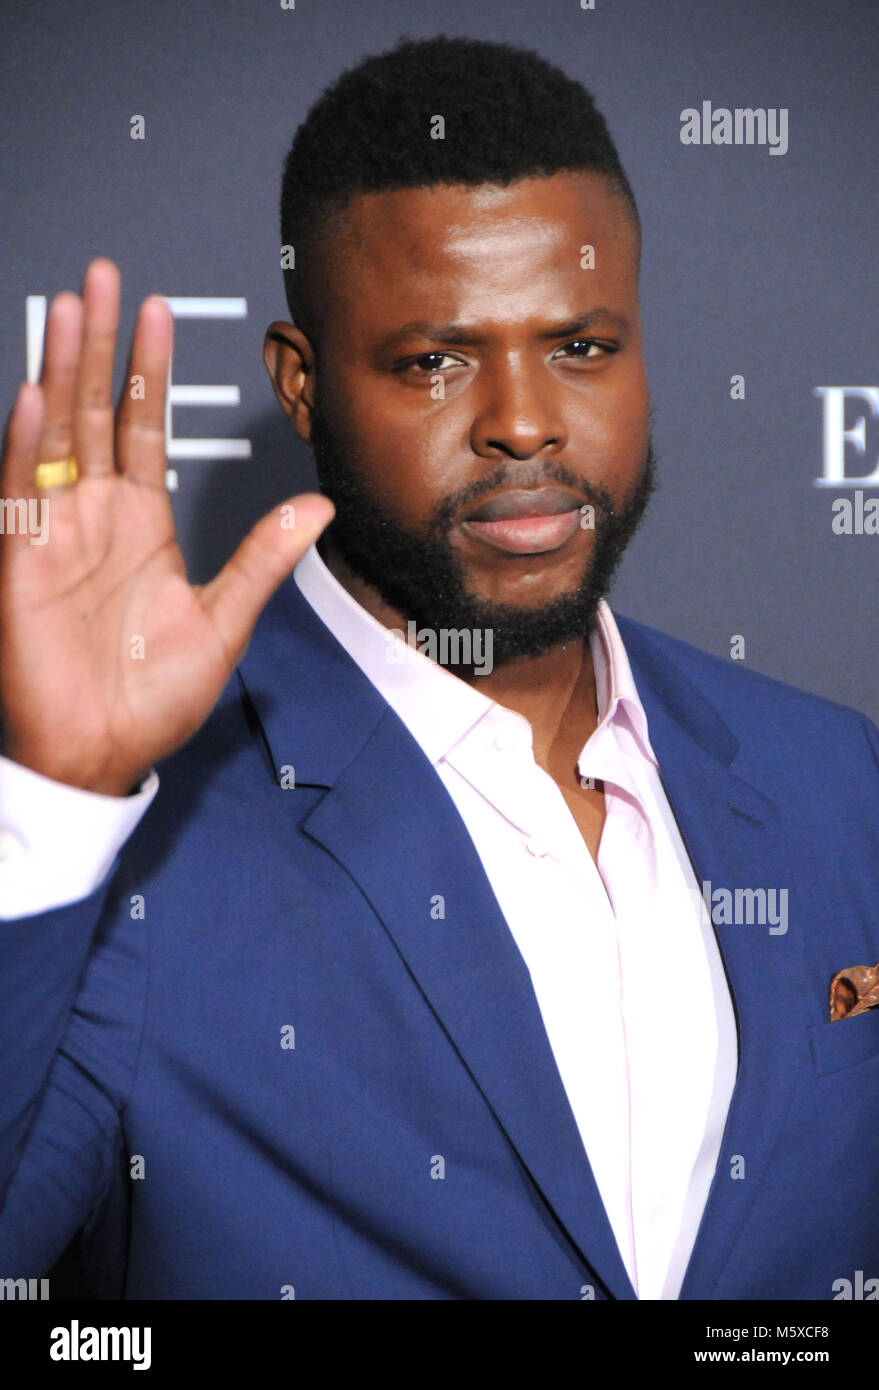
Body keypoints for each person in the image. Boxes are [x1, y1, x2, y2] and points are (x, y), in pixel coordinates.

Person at [1, 35, 878, 1302]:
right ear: (301, 388)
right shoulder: (137, 847)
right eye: (434, 361)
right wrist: (58, 797)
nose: (523, 417)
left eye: (580, 346)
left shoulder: (828, 770)